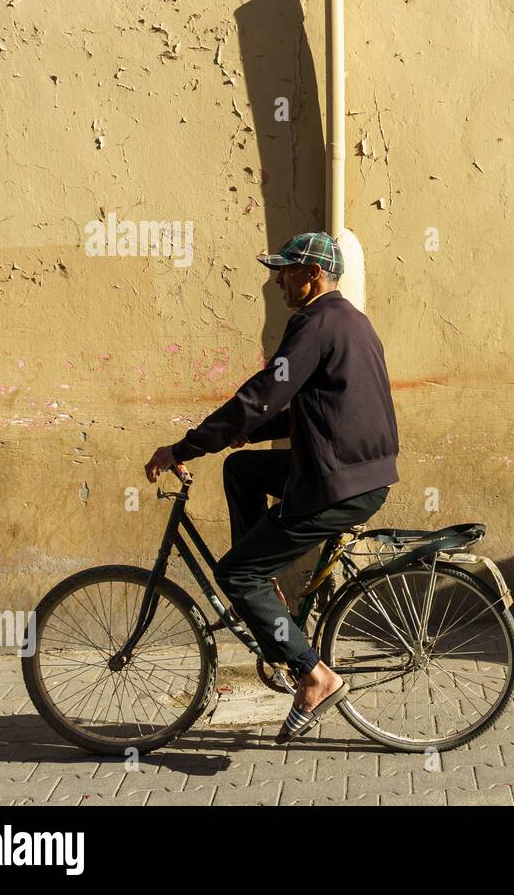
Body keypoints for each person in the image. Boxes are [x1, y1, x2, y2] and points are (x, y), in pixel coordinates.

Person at [144, 231, 399, 740]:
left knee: (235, 575)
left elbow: (260, 396)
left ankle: (314, 675)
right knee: (241, 472)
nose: (277, 278)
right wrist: (245, 436)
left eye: (286, 269)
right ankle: (267, 577)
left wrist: (186, 447)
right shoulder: (351, 322)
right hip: (354, 468)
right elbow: (317, 408)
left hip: (337, 481)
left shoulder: (313, 323)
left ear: (314, 274)